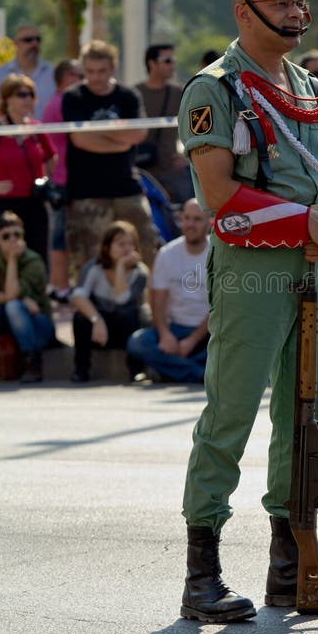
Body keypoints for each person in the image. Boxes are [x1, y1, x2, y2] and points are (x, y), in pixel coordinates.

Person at [176, 0, 318, 623]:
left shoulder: (312, 89)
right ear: (242, 9)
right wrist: (303, 223)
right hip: (254, 269)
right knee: (230, 414)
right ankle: (203, 573)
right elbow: (220, 197)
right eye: (281, 5)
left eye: (297, 3)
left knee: (309, 417)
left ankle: (291, 564)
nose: (296, 15)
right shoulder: (215, 90)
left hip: (317, 264)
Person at [62, 40, 157, 273]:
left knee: (146, 250)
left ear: (113, 68)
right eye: (90, 71)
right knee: (92, 260)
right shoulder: (74, 97)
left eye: (101, 71)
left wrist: (99, 130)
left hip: (127, 187)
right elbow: (80, 140)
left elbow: (139, 134)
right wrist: (120, 137)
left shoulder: (128, 96)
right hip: (88, 192)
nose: (95, 77)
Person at [126, 199, 211, 383]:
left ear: (209, 223)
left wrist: (193, 340)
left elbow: (220, 307)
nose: (190, 224)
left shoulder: (217, 255)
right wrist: (164, 334)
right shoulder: (167, 254)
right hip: (175, 328)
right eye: (186, 218)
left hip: (209, 331)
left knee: (231, 348)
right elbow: (157, 300)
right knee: (136, 343)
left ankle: (170, 369)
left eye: (197, 219)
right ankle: (199, 373)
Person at [69, 220, 149, 382]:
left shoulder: (139, 272)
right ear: (107, 247)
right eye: (121, 244)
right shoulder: (93, 267)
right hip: (98, 331)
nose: (127, 249)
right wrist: (96, 319)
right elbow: (77, 297)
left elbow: (122, 300)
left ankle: (136, 370)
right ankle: (81, 369)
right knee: (80, 318)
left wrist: (120, 266)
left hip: (124, 330)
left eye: (131, 244)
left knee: (131, 313)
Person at [0, 74, 57, 264]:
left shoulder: (36, 129)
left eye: (31, 94)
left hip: (34, 202)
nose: (28, 99)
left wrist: (44, 179)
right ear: (7, 99)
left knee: (36, 256)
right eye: (21, 94)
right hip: (2, 205)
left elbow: (51, 157)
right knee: (3, 259)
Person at [41, 59, 85, 302]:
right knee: (60, 234)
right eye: (76, 75)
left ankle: (61, 284)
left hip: (68, 177)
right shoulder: (61, 103)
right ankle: (59, 286)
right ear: (63, 79)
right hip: (62, 179)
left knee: (65, 234)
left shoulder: (60, 102)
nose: (81, 79)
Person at [0, 210, 55, 382]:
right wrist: (19, 298)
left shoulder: (33, 260)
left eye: (17, 234)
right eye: (6, 236)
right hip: (9, 328)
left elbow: (12, 295)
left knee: (13, 306)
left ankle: (32, 364)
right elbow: (11, 295)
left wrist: (13, 260)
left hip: (38, 329)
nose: (13, 239)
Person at [134, 44, 194, 205]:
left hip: (173, 173)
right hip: (141, 173)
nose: (172, 65)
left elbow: (199, 127)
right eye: (167, 60)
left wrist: (190, 157)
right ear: (151, 63)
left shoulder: (180, 93)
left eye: (173, 60)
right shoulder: (134, 94)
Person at [0, 24, 55, 119]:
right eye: (28, 40)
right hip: (9, 132)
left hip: (45, 132)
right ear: (16, 43)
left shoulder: (53, 74)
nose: (34, 44)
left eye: (38, 39)